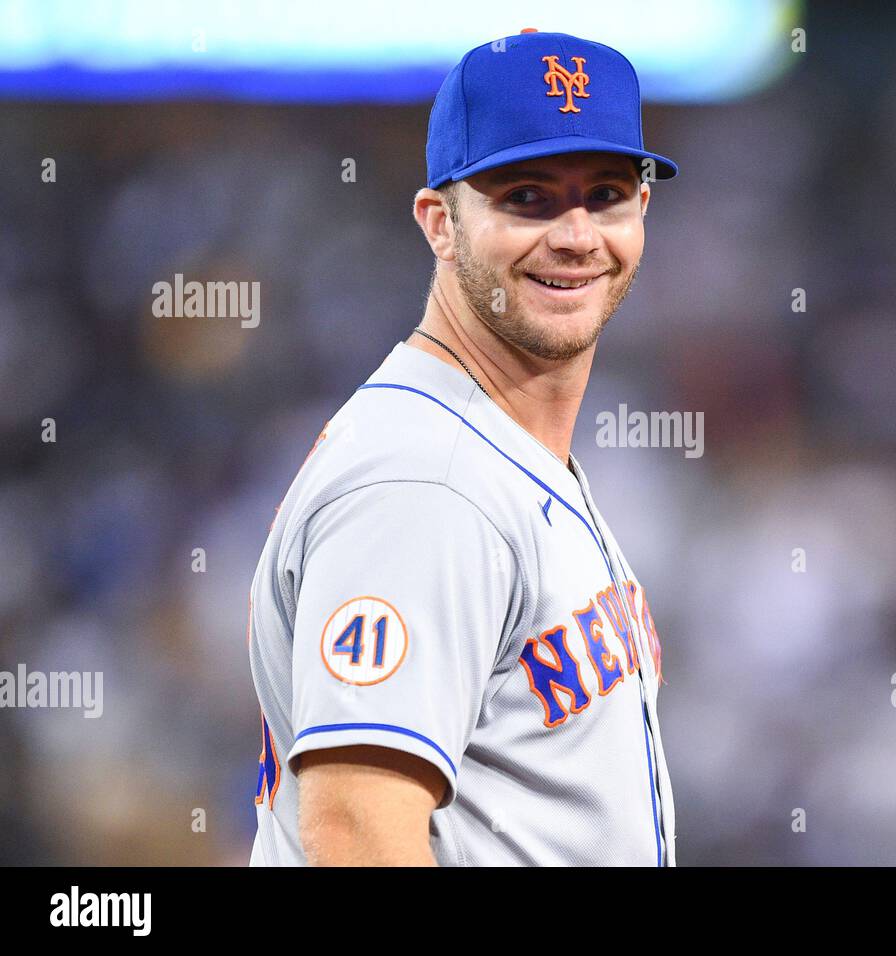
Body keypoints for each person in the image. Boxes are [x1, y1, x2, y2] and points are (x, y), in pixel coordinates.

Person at [247, 29, 679, 866]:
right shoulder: (427, 481)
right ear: (440, 223)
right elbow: (360, 834)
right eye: (527, 197)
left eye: (607, 193)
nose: (577, 234)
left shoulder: (495, 448)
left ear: (644, 211)